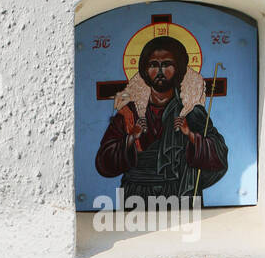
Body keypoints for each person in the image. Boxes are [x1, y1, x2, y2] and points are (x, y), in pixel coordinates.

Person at [95, 35, 228, 203]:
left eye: (167, 64)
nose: (159, 72)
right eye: (153, 65)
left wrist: (191, 136)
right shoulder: (130, 114)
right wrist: (130, 139)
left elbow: (220, 158)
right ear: (144, 70)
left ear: (179, 68)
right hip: (136, 196)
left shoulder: (191, 112)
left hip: (179, 193)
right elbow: (103, 162)